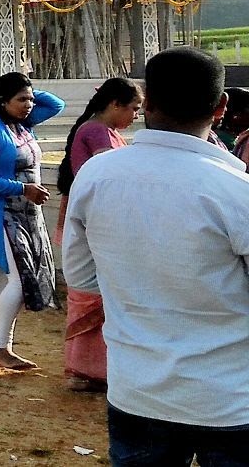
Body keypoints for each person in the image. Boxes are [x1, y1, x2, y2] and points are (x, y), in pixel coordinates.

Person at [63, 48, 249, 465]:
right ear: (220, 108)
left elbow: (81, 277)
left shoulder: (97, 176)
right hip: (231, 398)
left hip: (138, 391)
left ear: (146, 102)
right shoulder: (235, 192)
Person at [0, 72, 64, 370]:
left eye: (31, 99)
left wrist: (27, 87)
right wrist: (22, 188)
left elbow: (56, 104)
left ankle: (1, 346)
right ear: (1, 101)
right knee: (21, 281)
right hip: (0, 213)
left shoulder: (21, 125)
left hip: (28, 213)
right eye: (22, 100)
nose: (30, 105)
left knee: (16, 279)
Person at [54, 76, 141, 393]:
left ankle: (92, 368)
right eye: (133, 108)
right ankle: (87, 370)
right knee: (92, 293)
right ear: (115, 105)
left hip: (97, 218)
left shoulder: (104, 131)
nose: (135, 117)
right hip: (95, 220)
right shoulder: (95, 131)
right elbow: (108, 178)